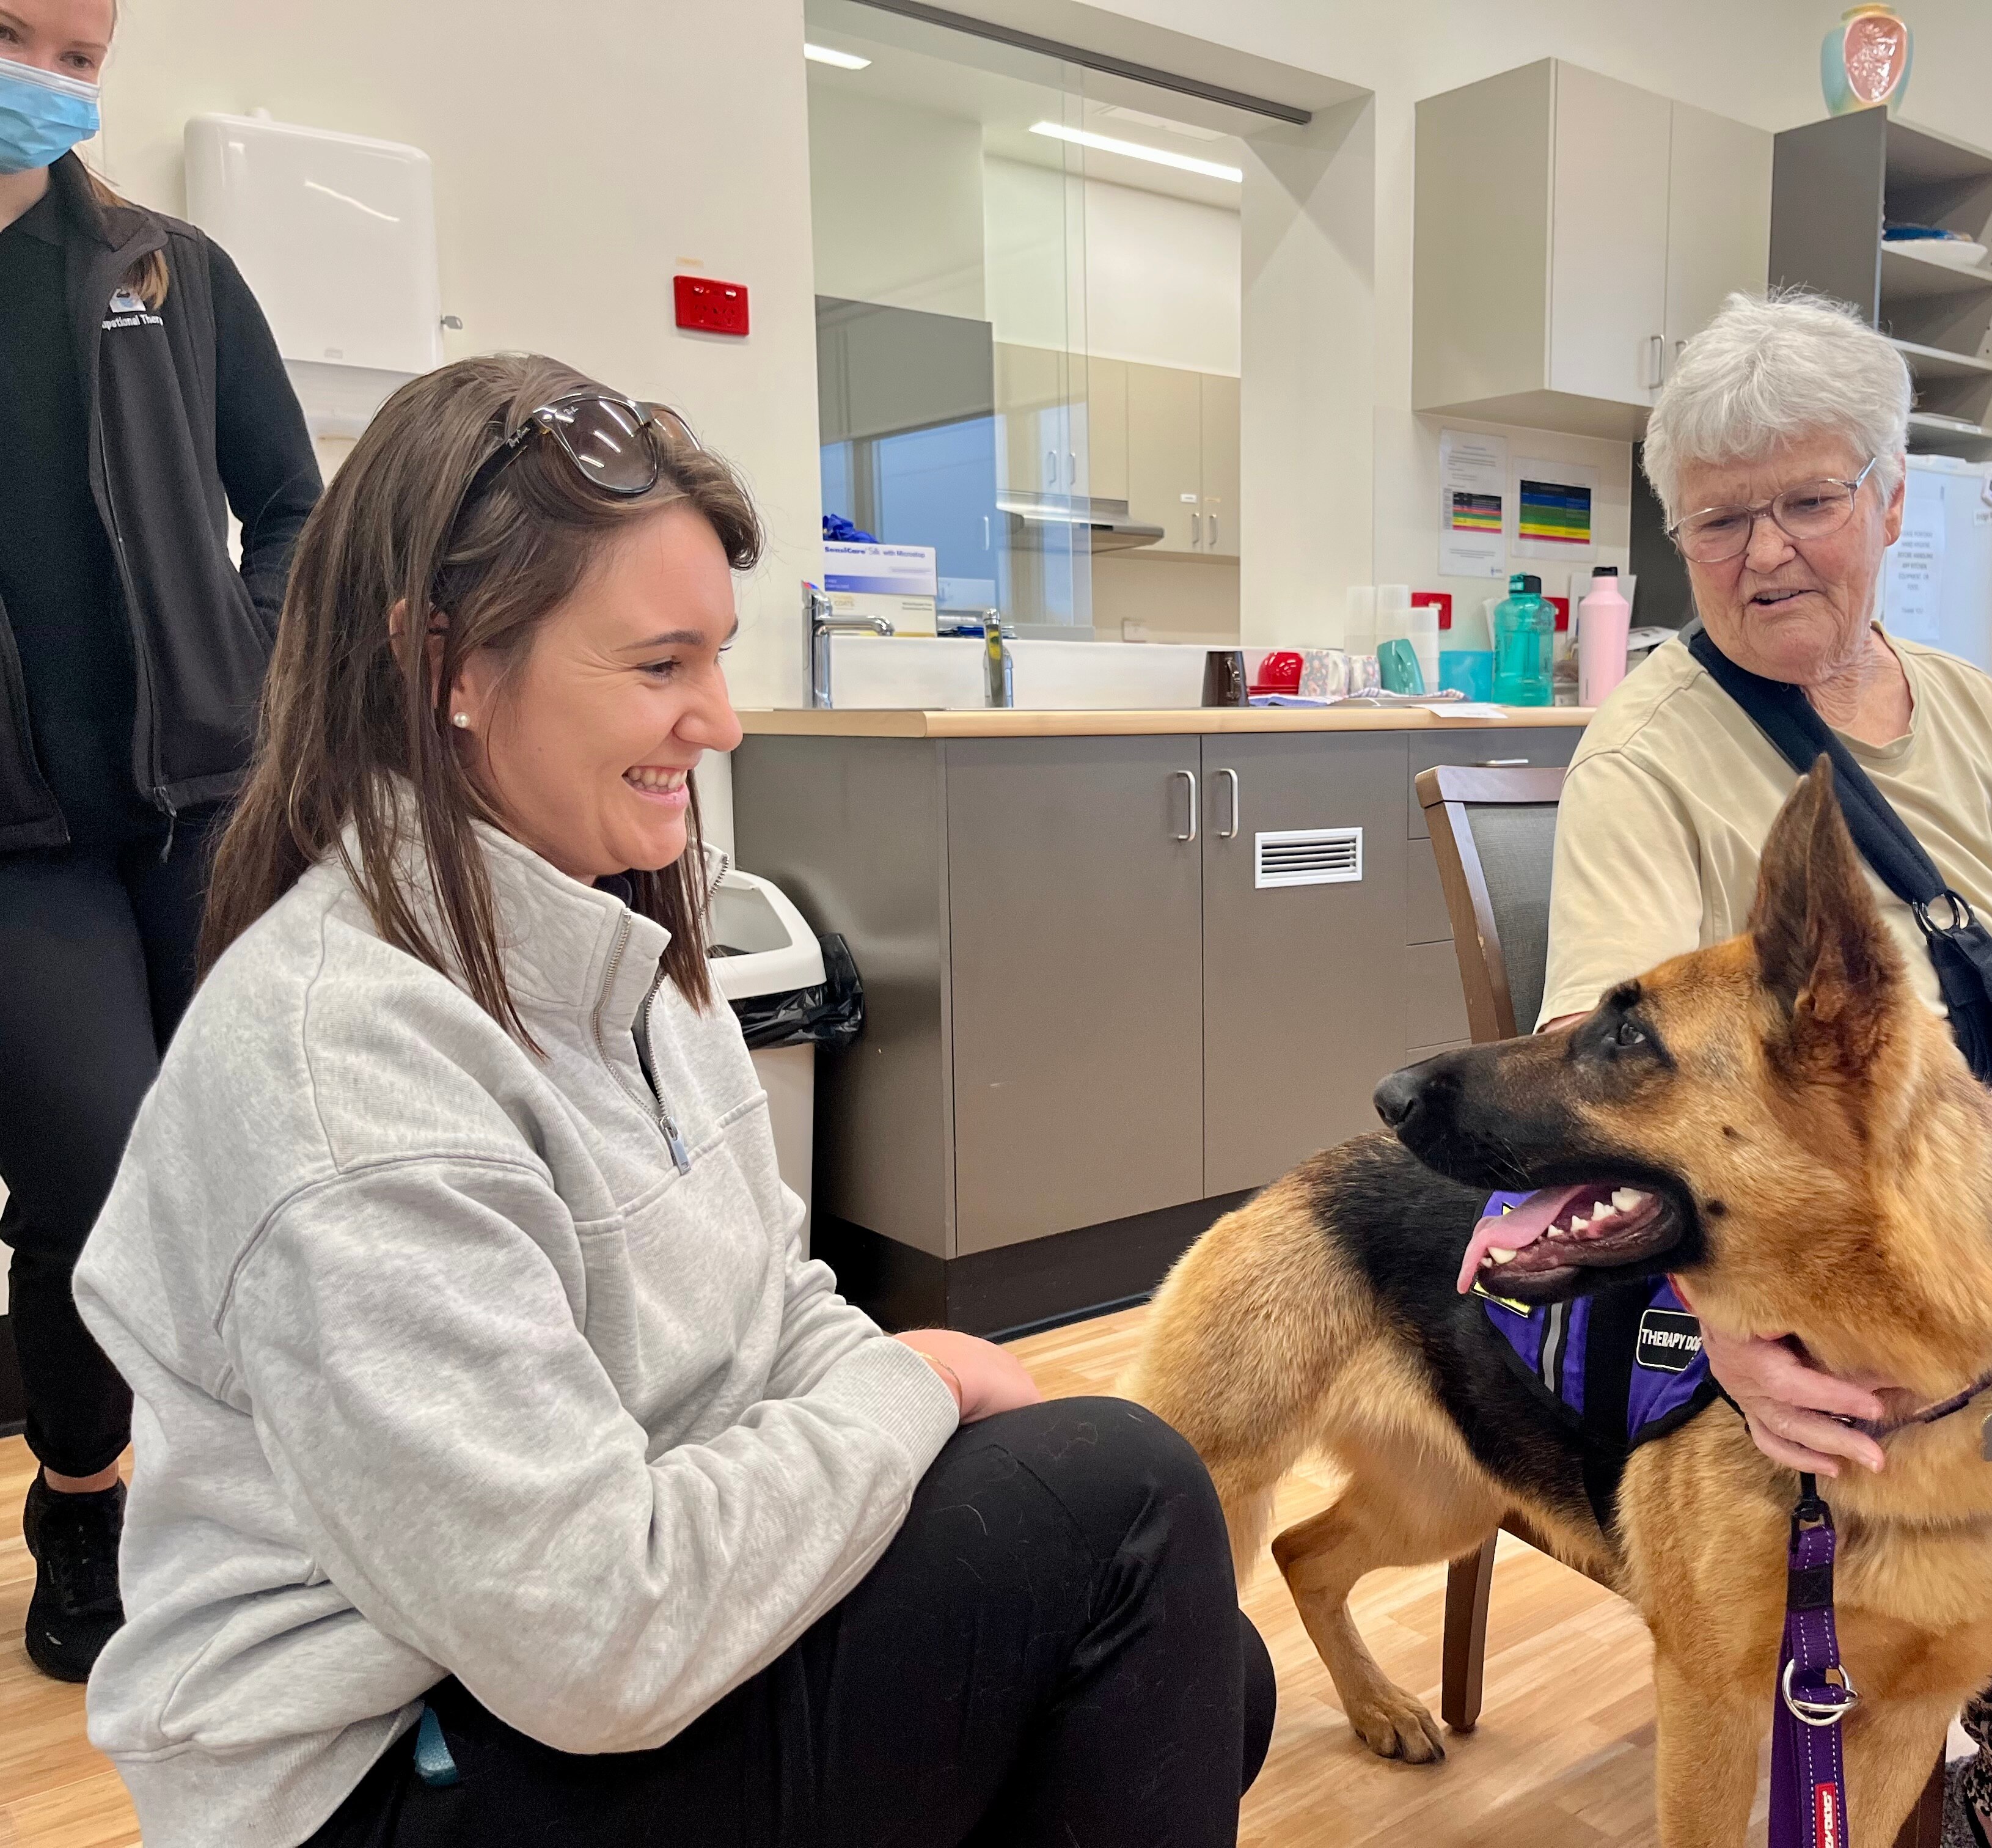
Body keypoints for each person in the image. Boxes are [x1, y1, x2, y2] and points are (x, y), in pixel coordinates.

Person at [70, 352, 1274, 1848]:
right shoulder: (345, 1074)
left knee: (1210, 1667)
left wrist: (909, 1408)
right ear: (442, 662)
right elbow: (594, 1636)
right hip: (377, 1774)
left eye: (717, 657)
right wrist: (926, 1387)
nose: (723, 722)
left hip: (556, 1665)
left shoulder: (617, 946)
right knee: (1126, 1508)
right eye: (660, 666)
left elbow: (772, 1304)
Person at [1542, 291, 1992, 1848]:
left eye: (1809, 500)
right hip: (1863, 1221)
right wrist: (1715, 1326)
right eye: (1721, 520)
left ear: (1889, 498)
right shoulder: (1649, 755)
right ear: (1679, 540)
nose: (1769, 552)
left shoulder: (1980, 718)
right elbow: (1593, 1086)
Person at [0, 0, 320, 1681]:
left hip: (192, 806)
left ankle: (259, 1497)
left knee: (247, 1161)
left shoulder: (164, 272)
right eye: (15, 34)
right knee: (92, 1176)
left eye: (82, 54)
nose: (48, 83)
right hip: (14, 849)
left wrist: (247, 655)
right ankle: (85, 1496)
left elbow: (294, 502)